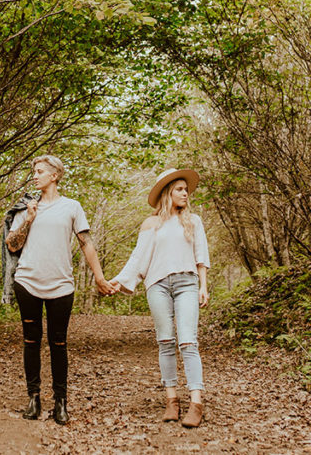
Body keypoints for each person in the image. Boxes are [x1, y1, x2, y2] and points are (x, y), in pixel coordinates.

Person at [5, 154, 115, 425]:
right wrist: (29, 219)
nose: (35, 175)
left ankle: (60, 402)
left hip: (61, 285)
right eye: (34, 171)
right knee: (31, 341)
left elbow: (86, 244)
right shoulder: (26, 207)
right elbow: (12, 245)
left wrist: (99, 278)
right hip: (28, 282)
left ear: (54, 175)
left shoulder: (72, 207)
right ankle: (33, 398)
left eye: (40, 171)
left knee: (59, 343)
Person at [109, 168, 211, 428]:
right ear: (168, 192)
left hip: (187, 282)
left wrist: (203, 286)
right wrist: (117, 281)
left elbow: (201, 255)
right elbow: (138, 259)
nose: (185, 193)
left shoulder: (194, 221)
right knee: (166, 342)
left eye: (186, 190)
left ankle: (196, 403)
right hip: (158, 285)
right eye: (179, 189)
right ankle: (171, 401)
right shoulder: (151, 223)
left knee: (188, 342)